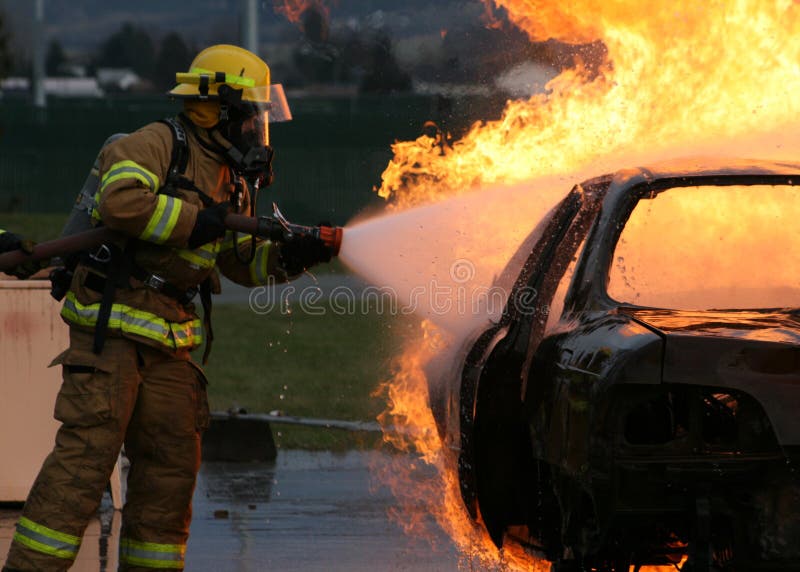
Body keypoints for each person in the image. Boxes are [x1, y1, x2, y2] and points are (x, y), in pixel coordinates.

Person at [3, 44, 331, 572]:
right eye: (251, 115)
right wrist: (194, 221)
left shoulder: (233, 179)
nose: (257, 129)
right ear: (215, 109)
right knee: (83, 466)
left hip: (171, 341)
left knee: (170, 474)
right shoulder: (156, 143)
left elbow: (241, 263)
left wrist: (294, 257)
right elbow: (121, 203)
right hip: (111, 329)